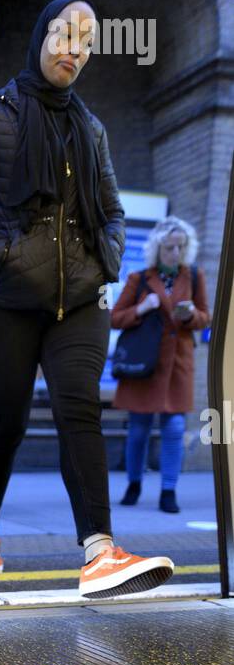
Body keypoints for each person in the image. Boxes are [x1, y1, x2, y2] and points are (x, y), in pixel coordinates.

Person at [0, 0, 174, 598]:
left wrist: (108, 258)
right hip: (6, 304)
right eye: (66, 35)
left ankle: (98, 551)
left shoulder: (91, 129)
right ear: (42, 35)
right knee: (7, 424)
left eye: (87, 42)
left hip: (81, 303)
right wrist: (5, 257)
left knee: (78, 410)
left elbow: (113, 211)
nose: (76, 50)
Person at [112, 218, 210, 513]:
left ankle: (169, 490)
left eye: (181, 246)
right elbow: (115, 318)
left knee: (175, 427)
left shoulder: (193, 276)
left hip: (177, 364)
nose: (176, 252)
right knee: (139, 430)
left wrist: (190, 316)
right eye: (170, 247)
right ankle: (134, 483)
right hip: (145, 365)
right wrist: (143, 308)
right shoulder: (139, 278)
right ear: (158, 248)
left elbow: (206, 316)